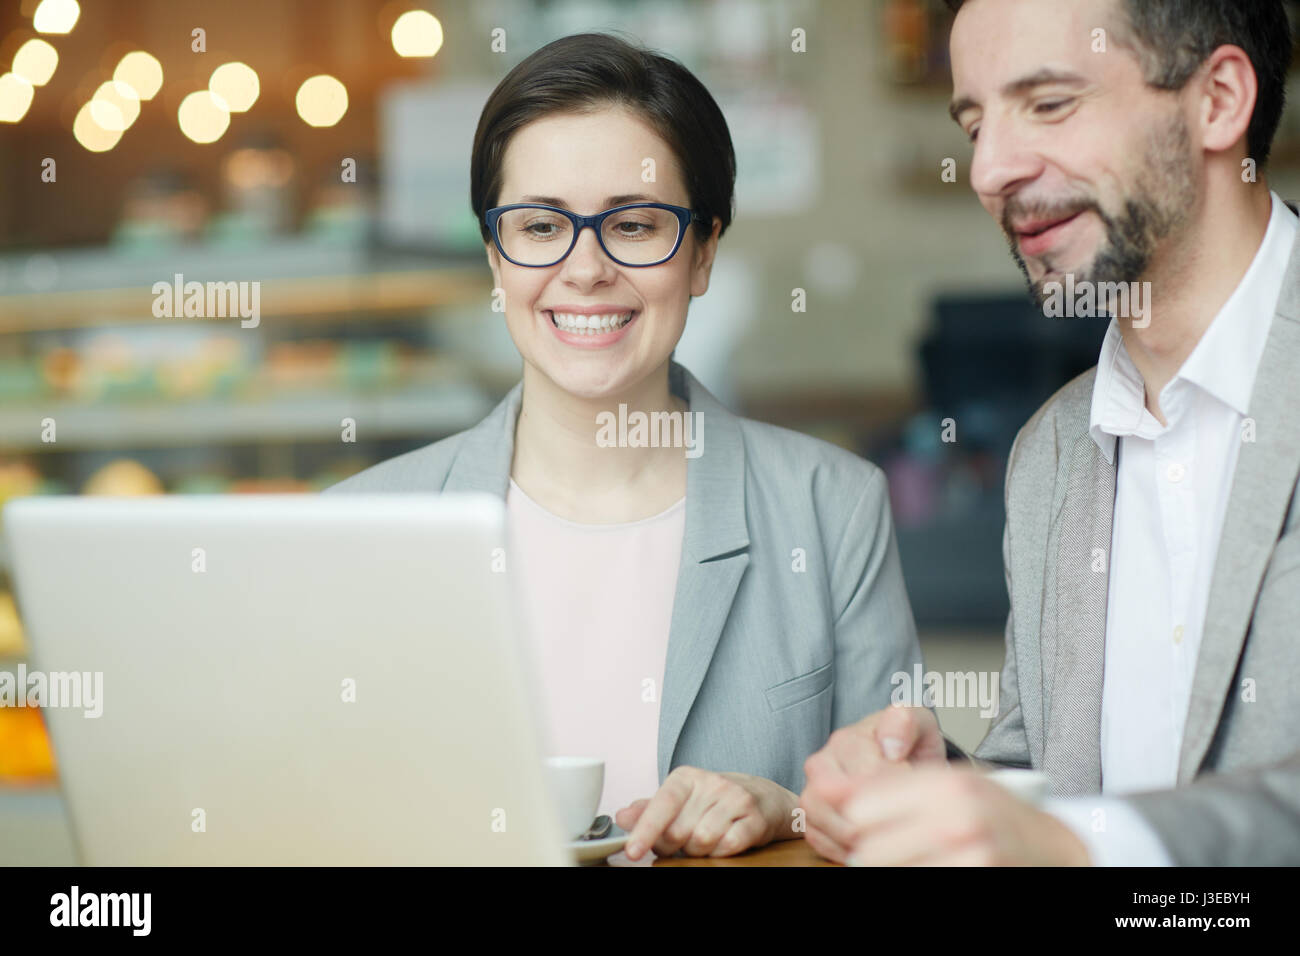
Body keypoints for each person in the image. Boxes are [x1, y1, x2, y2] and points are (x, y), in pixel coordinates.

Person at [327, 33, 922, 860]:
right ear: (496, 256)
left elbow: (912, 824)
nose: (586, 269)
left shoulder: (830, 507)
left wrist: (788, 808)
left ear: (704, 250)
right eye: (540, 226)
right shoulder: (357, 530)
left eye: (635, 225)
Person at [802, 0, 1300, 866]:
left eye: (1049, 104)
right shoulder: (1050, 453)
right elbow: (1048, 782)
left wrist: (1079, 844)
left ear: (1219, 100)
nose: (991, 168)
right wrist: (945, 791)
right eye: (975, 122)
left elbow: (1080, 836)